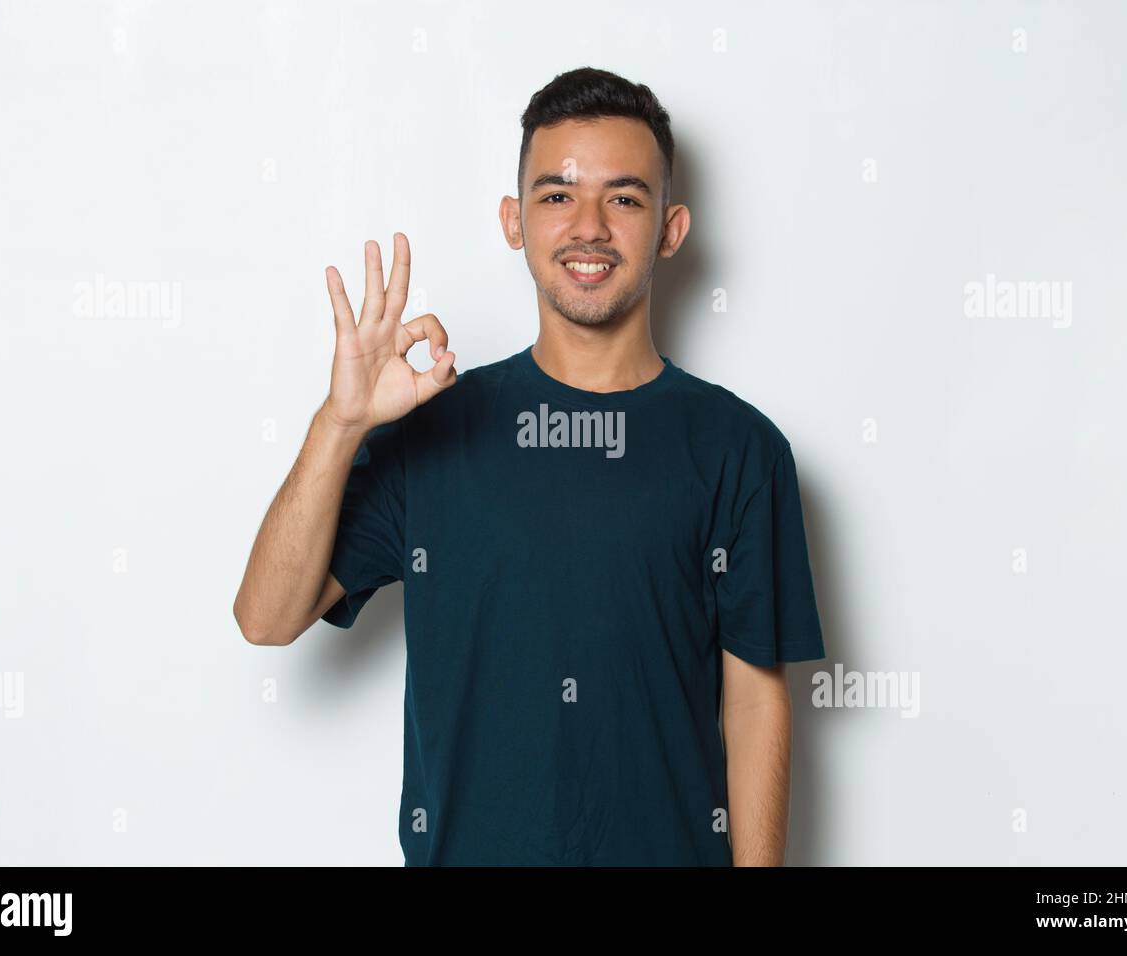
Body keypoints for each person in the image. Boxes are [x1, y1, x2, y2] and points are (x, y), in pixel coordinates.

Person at [233, 66, 826, 866]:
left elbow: (757, 702)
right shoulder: (429, 431)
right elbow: (265, 619)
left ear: (671, 229)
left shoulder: (740, 450)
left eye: (624, 198)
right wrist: (339, 424)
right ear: (514, 221)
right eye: (556, 196)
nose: (589, 226)